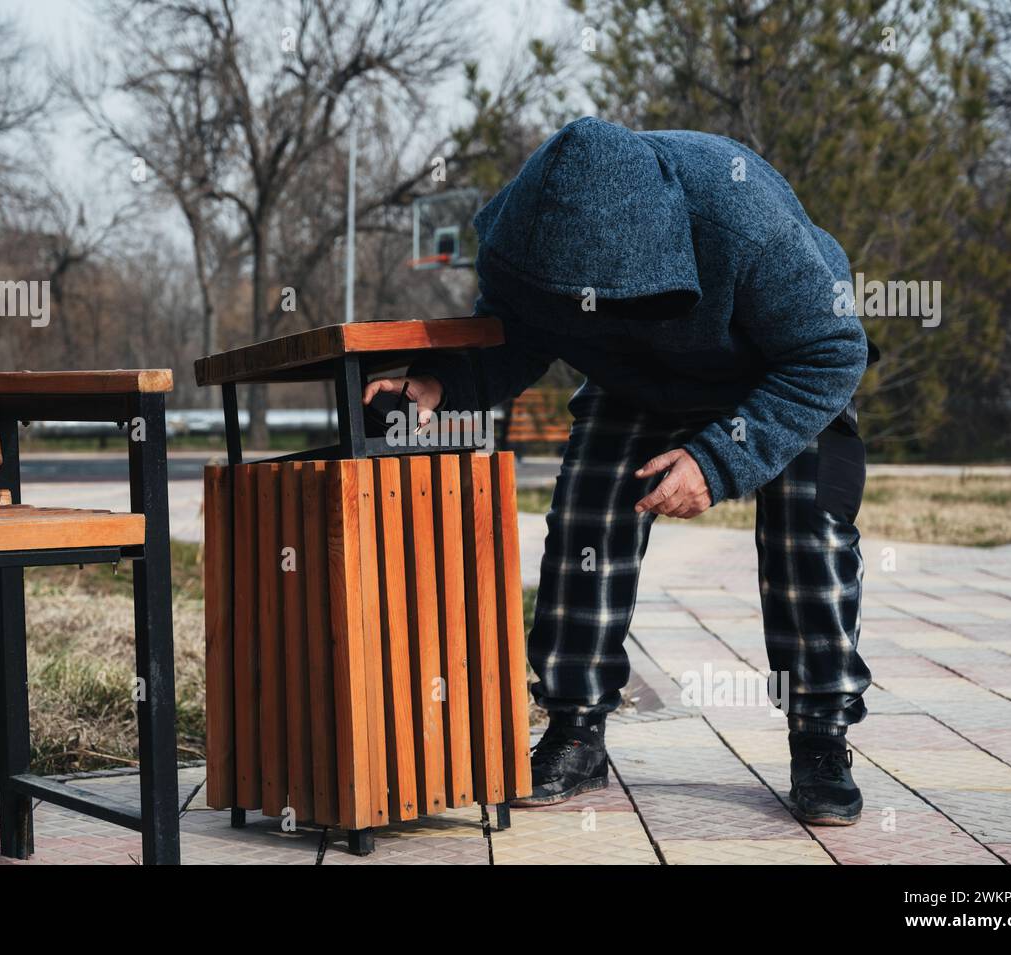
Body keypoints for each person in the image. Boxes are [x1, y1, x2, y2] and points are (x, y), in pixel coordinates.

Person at [365, 117, 875, 825]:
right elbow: (513, 339)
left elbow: (833, 351)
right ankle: (575, 730)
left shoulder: (744, 220)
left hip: (784, 370)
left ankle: (821, 736)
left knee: (809, 535)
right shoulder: (533, 229)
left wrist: (719, 459)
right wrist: (438, 387)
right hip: (641, 379)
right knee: (585, 517)